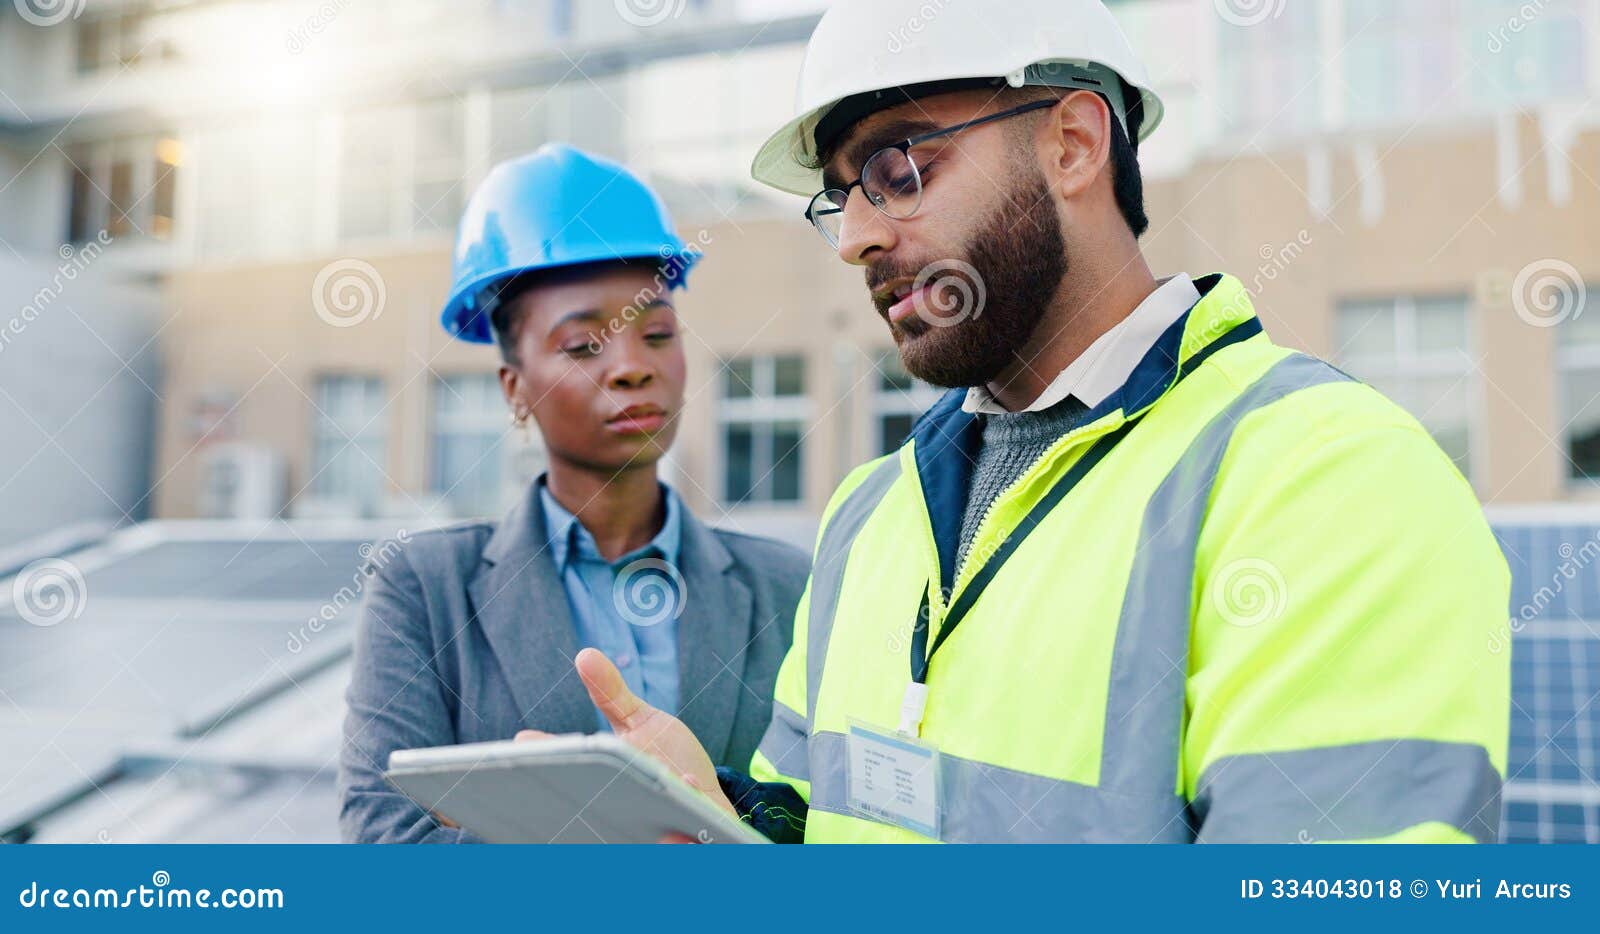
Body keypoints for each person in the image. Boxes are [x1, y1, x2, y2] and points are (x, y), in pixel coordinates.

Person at [521, 0, 1511, 844]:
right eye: (840, 197)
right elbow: (822, 825)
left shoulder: (1327, 479)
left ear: (1071, 144)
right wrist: (719, 826)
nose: (855, 236)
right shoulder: (869, 515)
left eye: (898, 168)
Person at [338, 144, 810, 844]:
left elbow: (828, 826)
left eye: (657, 333)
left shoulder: (789, 586)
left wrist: (515, 824)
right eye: (585, 345)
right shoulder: (423, 590)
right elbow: (382, 848)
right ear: (515, 389)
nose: (631, 367)